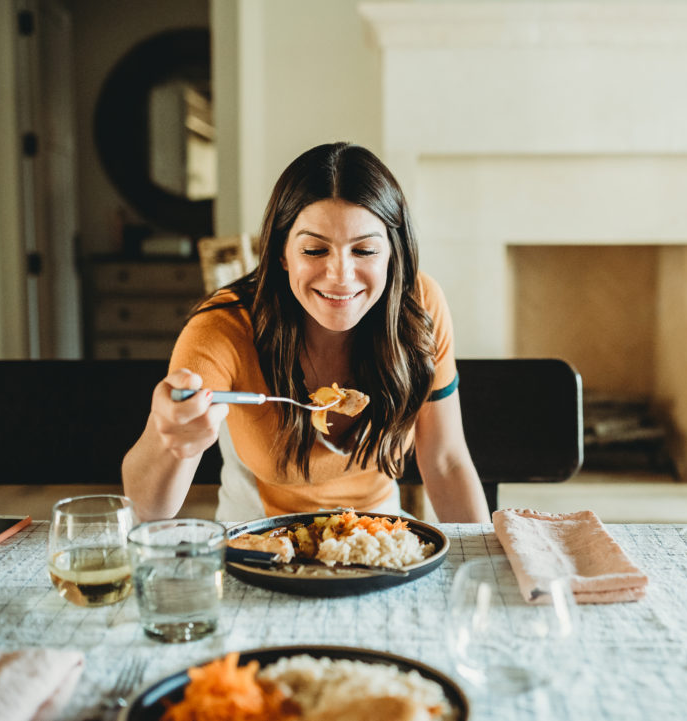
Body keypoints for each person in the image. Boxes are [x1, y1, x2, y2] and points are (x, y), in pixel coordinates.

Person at [122, 142, 490, 524]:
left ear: (393, 254)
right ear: (282, 252)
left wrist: (488, 554)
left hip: (378, 537)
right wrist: (170, 440)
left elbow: (445, 462)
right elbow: (147, 510)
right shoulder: (224, 326)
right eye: (314, 250)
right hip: (255, 538)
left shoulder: (419, 306)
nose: (341, 276)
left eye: (365, 251)